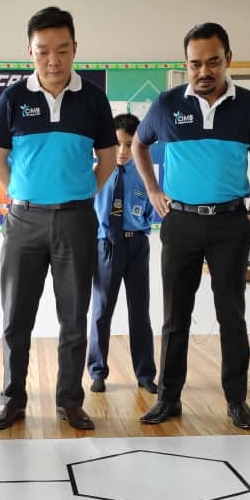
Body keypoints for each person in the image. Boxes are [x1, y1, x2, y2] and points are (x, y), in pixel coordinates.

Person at [133, 22, 250, 429]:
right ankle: (169, 397)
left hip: (232, 223)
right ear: (186, 64)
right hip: (179, 223)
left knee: (232, 315)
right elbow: (140, 145)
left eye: (213, 62)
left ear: (228, 59)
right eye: (195, 64)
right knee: (175, 317)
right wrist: (155, 191)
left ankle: (236, 401)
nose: (204, 72)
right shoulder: (165, 104)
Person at [0, 6, 116, 431]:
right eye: (43, 51)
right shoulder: (13, 98)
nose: (53, 60)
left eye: (62, 50)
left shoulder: (94, 98)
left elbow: (108, 159)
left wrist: (77, 194)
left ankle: (70, 400)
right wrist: (27, 194)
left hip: (77, 220)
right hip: (23, 222)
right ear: (30, 52)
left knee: (74, 318)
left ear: (75, 48)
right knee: (14, 319)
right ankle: (12, 400)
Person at [87, 113, 158, 396]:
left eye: (130, 144)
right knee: (102, 311)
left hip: (137, 244)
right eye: (118, 144)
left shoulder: (146, 174)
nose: (123, 151)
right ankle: (97, 371)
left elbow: (154, 208)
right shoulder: (95, 174)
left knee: (140, 311)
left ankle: (145, 374)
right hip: (105, 245)